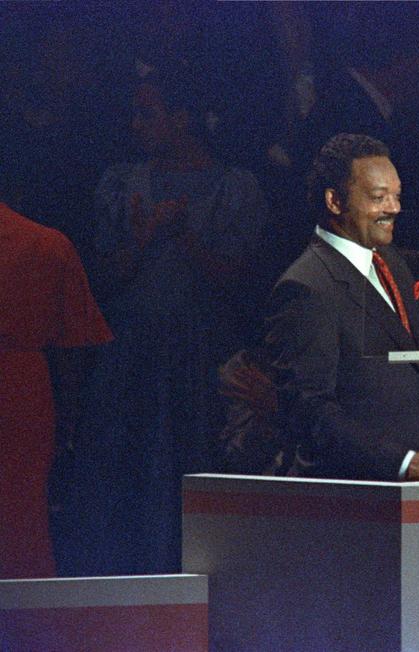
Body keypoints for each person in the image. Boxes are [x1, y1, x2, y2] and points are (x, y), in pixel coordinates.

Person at [69, 67, 268, 575]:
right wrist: (141, 239)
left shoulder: (232, 188)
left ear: (181, 121)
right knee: (123, 479)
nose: (136, 125)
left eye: (147, 113)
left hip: (199, 362)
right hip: (129, 360)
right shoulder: (122, 184)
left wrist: (183, 239)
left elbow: (241, 286)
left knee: (192, 473)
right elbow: (100, 282)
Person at [262, 131, 419, 482]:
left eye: (396, 196)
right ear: (335, 201)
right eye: (379, 197)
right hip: (361, 496)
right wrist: (403, 461)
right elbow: (308, 409)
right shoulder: (306, 287)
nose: (394, 208)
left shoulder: (389, 261)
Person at [0, 204, 112, 578]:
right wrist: (69, 415)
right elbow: (74, 345)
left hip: (24, 384)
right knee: (22, 518)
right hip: (23, 391)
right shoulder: (48, 245)